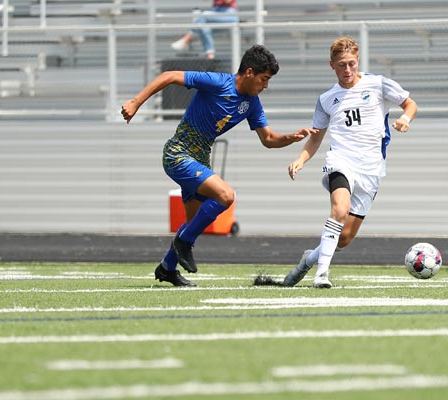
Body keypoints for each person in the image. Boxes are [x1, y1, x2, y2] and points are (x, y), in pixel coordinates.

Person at [121, 44, 314, 287]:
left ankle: (167, 268)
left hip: (200, 159)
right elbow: (168, 76)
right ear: (249, 72)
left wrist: (291, 137)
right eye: (263, 80)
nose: (265, 86)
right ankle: (184, 243)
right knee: (226, 195)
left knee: (192, 222)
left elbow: (268, 140)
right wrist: (135, 102)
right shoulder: (217, 82)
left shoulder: (252, 103)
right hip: (178, 154)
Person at [256, 36, 417, 289]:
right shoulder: (326, 99)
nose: (348, 70)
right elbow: (316, 138)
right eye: (342, 65)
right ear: (332, 65)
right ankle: (322, 274)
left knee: (344, 238)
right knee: (339, 210)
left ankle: (307, 261)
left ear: (358, 60)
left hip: (372, 168)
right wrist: (301, 159)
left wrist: (405, 119)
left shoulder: (378, 84)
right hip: (341, 161)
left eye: (352, 63)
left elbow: (410, 104)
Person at [170, 0, 239, 59]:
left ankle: (187, 38)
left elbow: (228, 1)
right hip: (216, 13)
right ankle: (210, 55)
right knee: (204, 28)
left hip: (228, 15)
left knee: (203, 15)